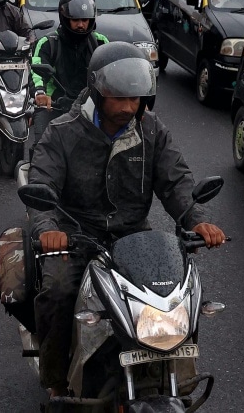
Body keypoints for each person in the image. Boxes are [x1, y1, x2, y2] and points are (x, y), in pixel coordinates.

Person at [28, 41, 227, 397]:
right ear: (97, 92)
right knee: (57, 291)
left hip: (133, 239)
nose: (127, 107)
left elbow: (176, 180)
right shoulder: (63, 132)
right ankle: (56, 383)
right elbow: (42, 185)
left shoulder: (151, 131)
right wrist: (49, 229)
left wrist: (196, 219)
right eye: (119, 99)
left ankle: (177, 375)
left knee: (180, 294)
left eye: (135, 99)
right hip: (78, 237)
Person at [30, 0, 109, 148]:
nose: (81, 25)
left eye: (85, 20)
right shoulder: (48, 43)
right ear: (65, 18)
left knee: (113, 144)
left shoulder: (100, 43)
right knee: (43, 148)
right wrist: (40, 93)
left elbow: (113, 72)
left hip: (91, 105)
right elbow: (36, 72)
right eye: (76, 20)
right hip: (55, 106)